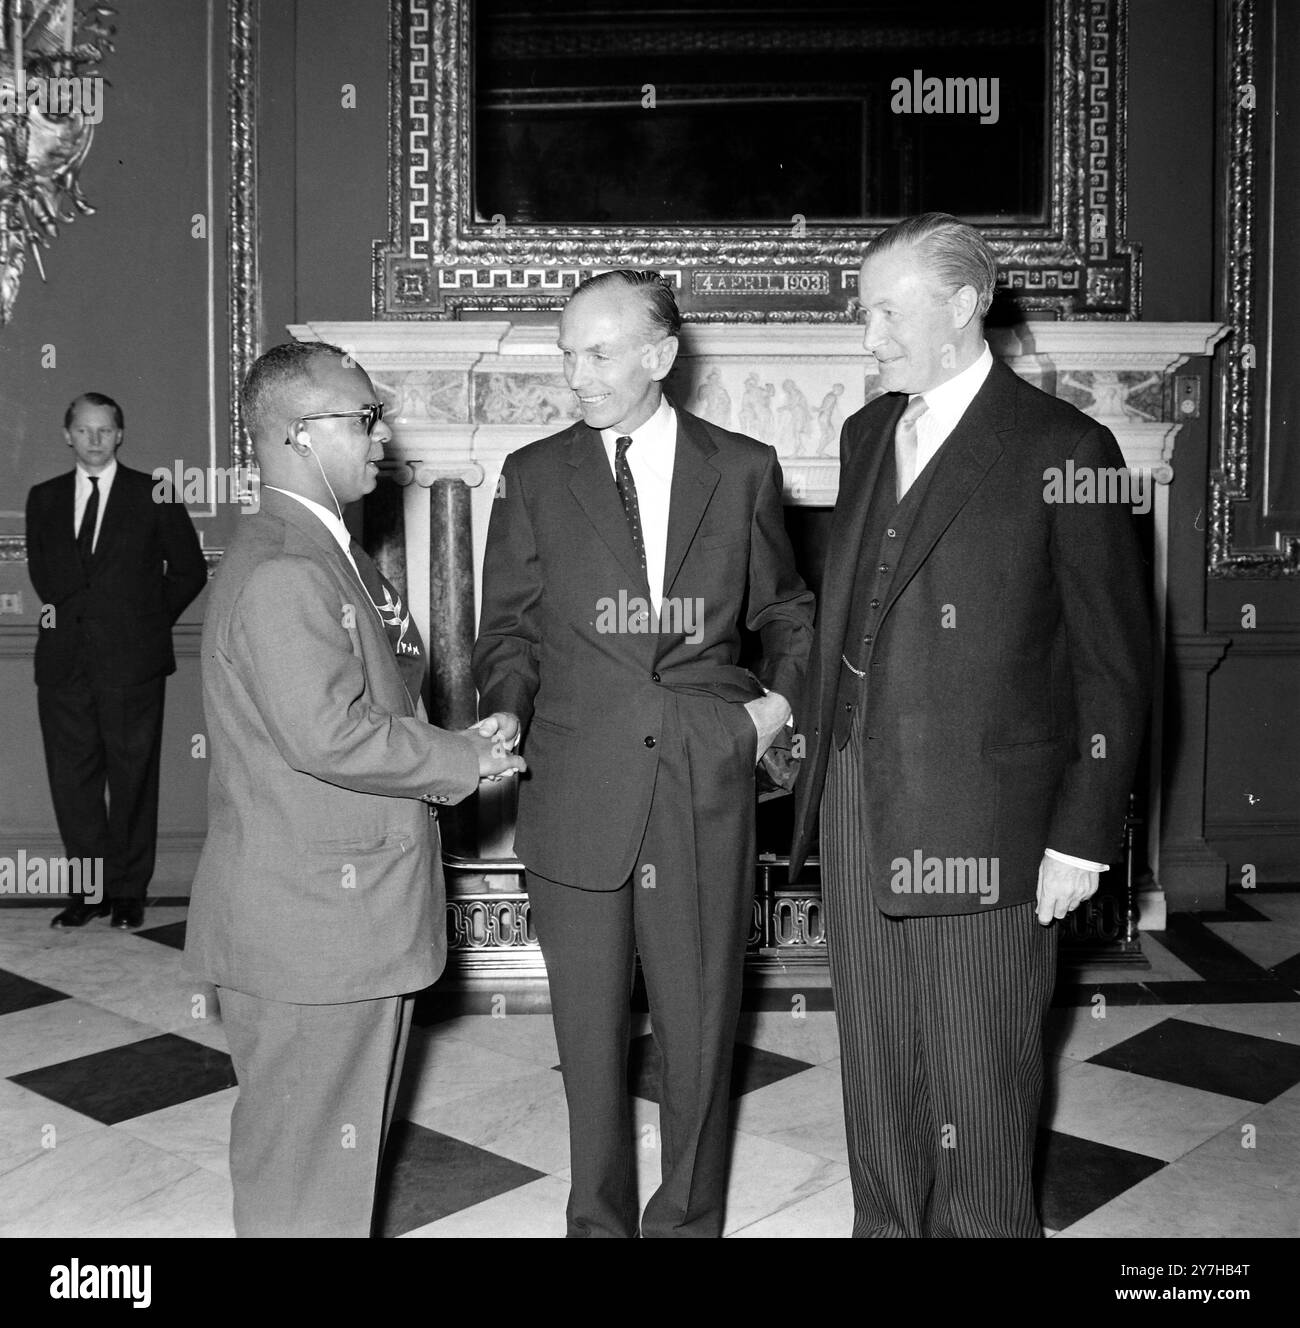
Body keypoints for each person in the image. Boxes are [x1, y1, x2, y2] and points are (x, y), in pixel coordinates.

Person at [789, 213, 1152, 1238]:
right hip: (860, 793)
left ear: (962, 305)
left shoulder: (1073, 446)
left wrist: (1082, 836)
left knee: (978, 1084)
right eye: (864, 313)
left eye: (886, 312)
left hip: (988, 820)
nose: (868, 338)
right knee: (877, 1058)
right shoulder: (868, 434)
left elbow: (1114, 665)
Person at [473, 270, 814, 1238]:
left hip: (701, 778)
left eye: (597, 352)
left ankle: (688, 1221)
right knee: (586, 1036)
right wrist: (505, 709)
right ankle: (597, 1222)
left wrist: (773, 710)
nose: (573, 374)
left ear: (659, 355)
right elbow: (509, 631)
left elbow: (785, 608)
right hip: (576, 781)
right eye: (566, 352)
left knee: (701, 1025)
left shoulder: (742, 466)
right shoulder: (534, 473)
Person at [183, 341, 524, 1237]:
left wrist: (448, 739)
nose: (384, 436)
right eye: (364, 417)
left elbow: (363, 702)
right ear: (299, 434)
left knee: (326, 1177)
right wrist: (465, 762)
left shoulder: (315, 548)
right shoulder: (291, 569)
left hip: (336, 928)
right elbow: (327, 734)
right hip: (314, 937)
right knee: (305, 1189)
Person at [26, 392, 207, 930]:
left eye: (105, 430)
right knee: (72, 783)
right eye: (85, 430)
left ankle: (129, 893)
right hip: (63, 665)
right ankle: (88, 894)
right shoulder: (44, 498)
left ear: (120, 434)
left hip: (133, 664)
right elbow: (45, 575)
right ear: (68, 435)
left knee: (132, 779)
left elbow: (190, 571)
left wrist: (146, 623)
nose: (95, 439)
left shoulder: (153, 491)